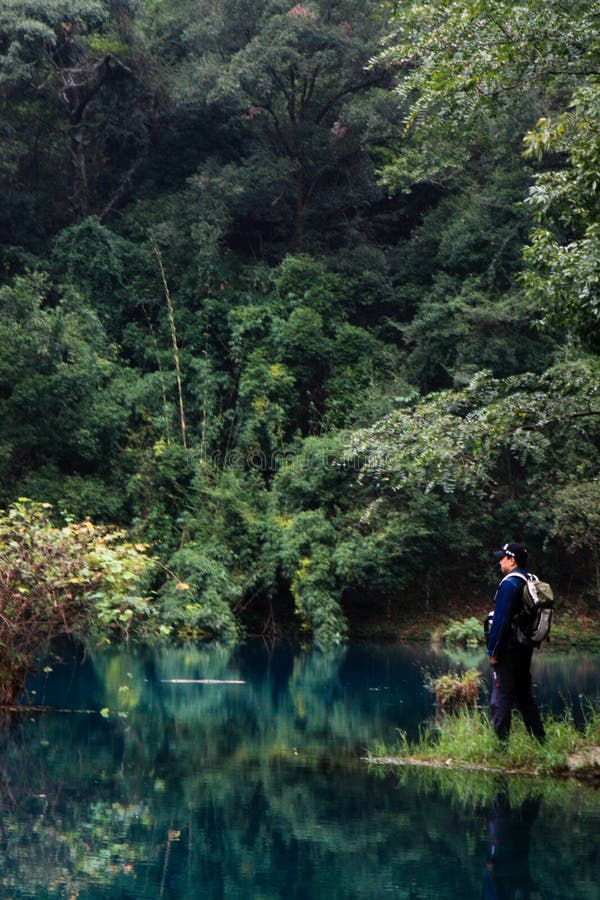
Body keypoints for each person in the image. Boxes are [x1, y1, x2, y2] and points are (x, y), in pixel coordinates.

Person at [487, 542, 545, 743]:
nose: (500, 561)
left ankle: (501, 747)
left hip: (508, 650)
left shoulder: (509, 583)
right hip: (524, 648)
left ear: (512, 560)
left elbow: (501, 622)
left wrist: (493, 651)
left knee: (501, 698)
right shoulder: (529, 580)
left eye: (503, 557)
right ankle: (540, 742)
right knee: (524, 696)